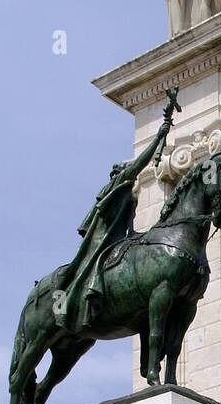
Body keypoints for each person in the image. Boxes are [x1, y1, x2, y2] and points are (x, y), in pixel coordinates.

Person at [54, 89, 180, 329]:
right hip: (105, 238)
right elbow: (141, 162)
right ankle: (77, 304)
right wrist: (157, 138)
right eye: (124, 172)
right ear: (117, 175)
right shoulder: (118, 185)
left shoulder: (126, 189)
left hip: (123, 236)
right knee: (93, 266)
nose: (128, 175)